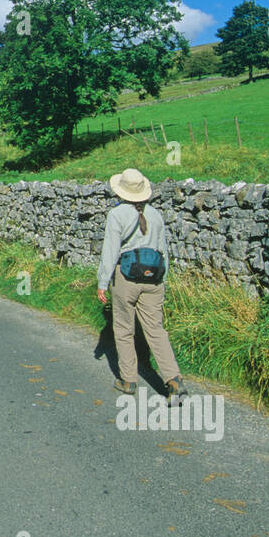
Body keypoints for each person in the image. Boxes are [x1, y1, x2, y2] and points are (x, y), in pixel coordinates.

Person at [96, 167, 186, 401]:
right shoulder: (155, 214)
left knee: (124, 329)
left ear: (121, 191)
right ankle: (173, 379)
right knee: (156, 329)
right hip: (154, 279)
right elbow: (162, 250)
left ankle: (129, 380)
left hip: (126, 278)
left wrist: (102, 282)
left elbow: (110, 251)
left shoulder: (117, 215)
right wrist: (163, 279)